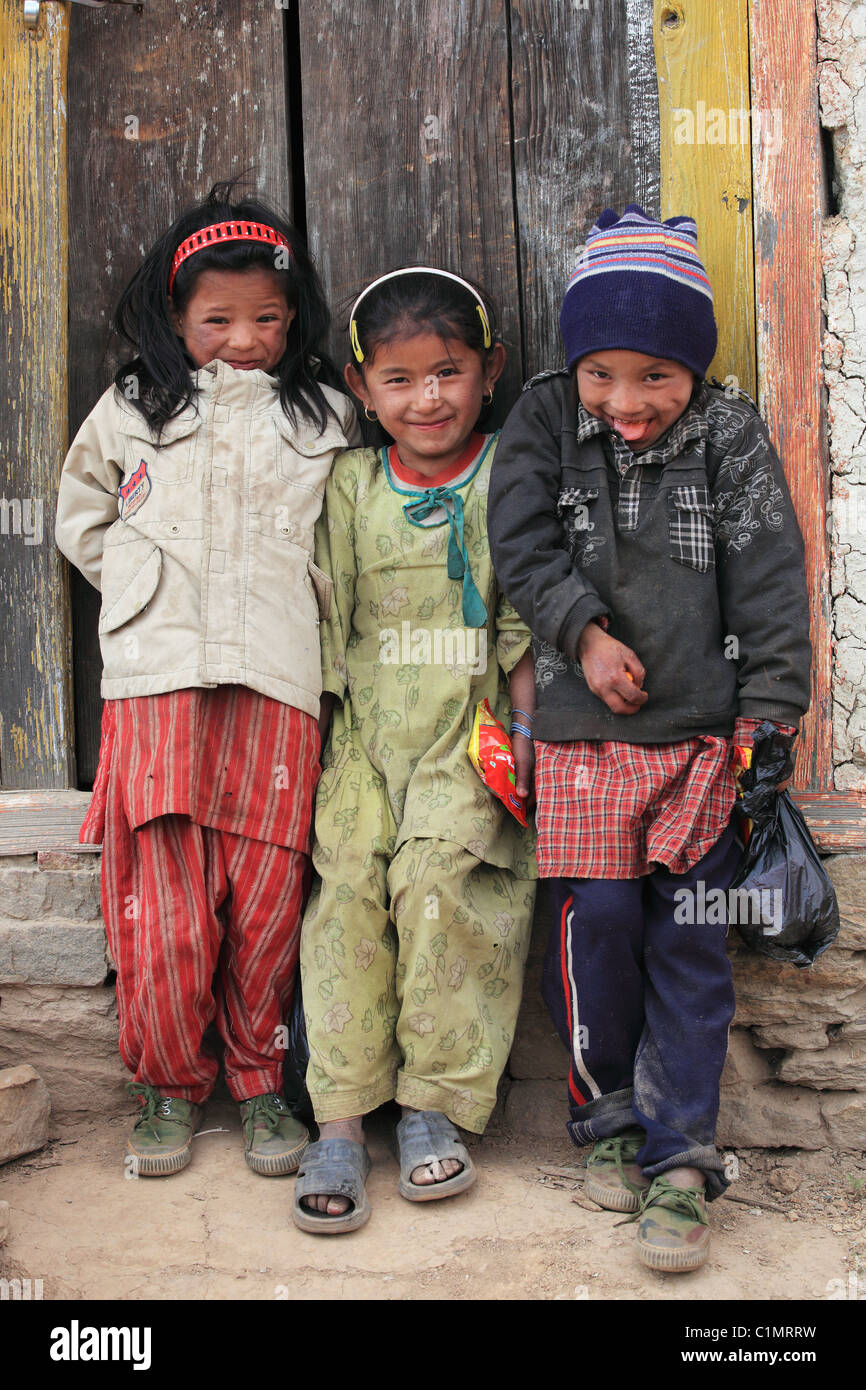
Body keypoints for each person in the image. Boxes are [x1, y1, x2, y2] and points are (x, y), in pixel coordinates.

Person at [487, 205, 811, 1271]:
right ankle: (607, 1120)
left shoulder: (728, 434)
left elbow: (768, 575)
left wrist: (769, 710)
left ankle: (679, 1157)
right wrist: (579, 637)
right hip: (581, 738)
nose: (625, 404)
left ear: (694, 369)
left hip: (699, 744)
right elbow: (520, 542)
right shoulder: (540, 420)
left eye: (655, 379)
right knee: (599, 925)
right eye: (602, 376)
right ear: (573, 363)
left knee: (687, 938)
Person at [55, 180, 360, 1178]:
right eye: (216, 318)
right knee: (161, 899)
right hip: (158, 681)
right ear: (175, 317)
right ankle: (164, 1084)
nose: (242, 338)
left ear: (293, 319)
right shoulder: (133, 407)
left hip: (276, 677)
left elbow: (349, 538)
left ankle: (260, 1080)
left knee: (266, 897)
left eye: (266, 318)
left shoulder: (322, 417)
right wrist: (141, 583)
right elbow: (80, 513)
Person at [292, 267, 538, 1233]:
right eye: (398, 380)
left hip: (464, 732)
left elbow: (519, 620)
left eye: (449, 373)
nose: (427, 398)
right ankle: (343, 1121)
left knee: (440, 884)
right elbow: (325, 624)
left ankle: (433, 1105)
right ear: (361, 389)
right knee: (346, 884)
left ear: (490, 372)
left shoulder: (507, 472)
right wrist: (314, 750)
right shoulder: (352, 485)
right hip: (363, 736)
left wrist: (525, 737)